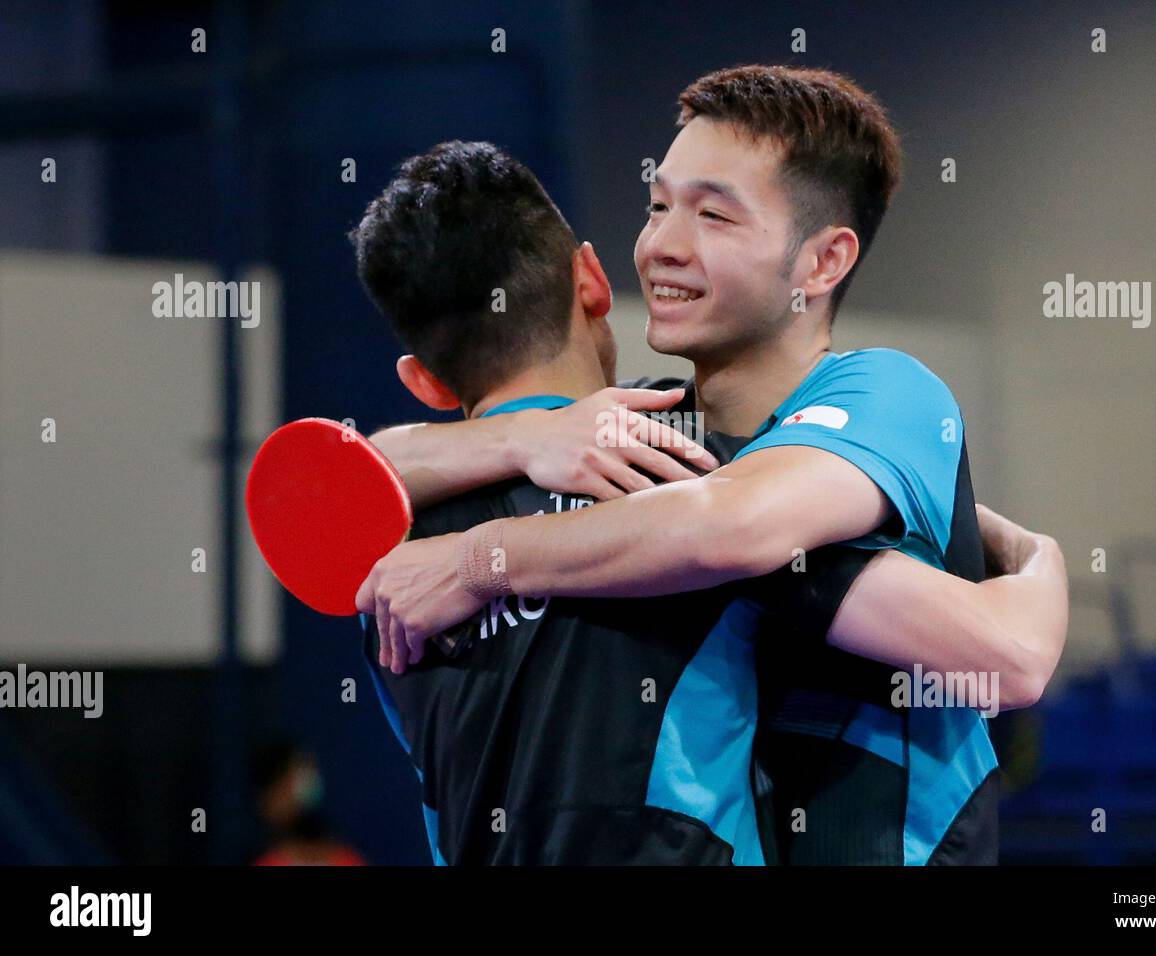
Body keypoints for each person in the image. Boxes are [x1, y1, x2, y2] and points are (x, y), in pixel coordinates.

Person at [353, 129, 1066, 864]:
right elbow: (1005, 654)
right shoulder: (698, 483)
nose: (667, 243)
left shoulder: (389, 568)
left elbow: (340, 470)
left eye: (710, 214)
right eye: (659, 207)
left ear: (422, 382)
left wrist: (503, 477)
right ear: (591, 281)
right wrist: (1038, 556)